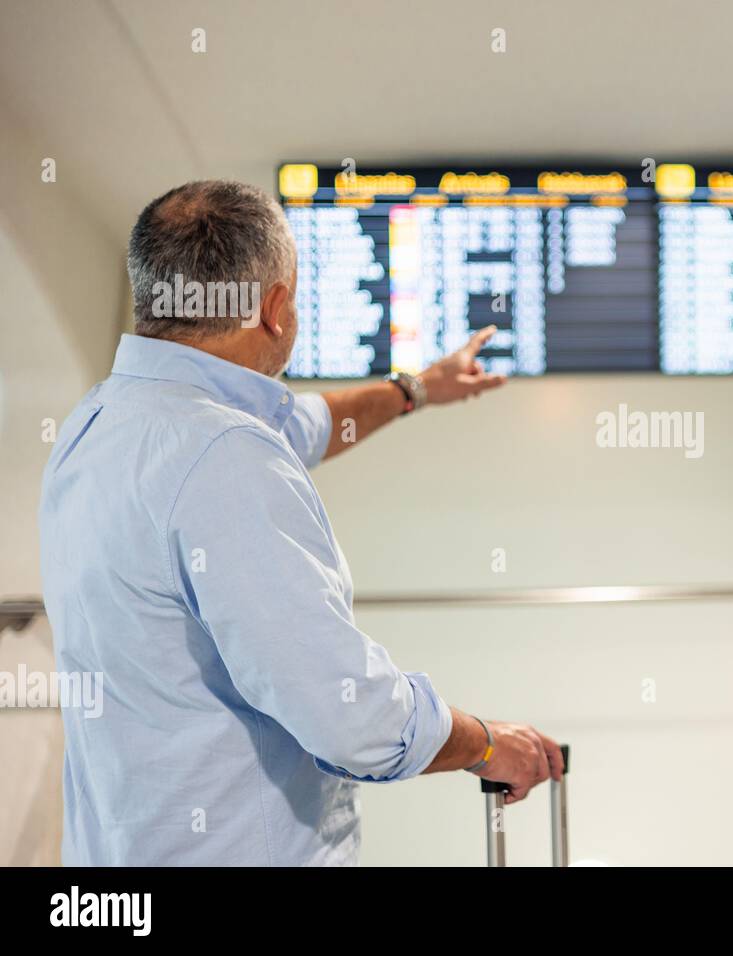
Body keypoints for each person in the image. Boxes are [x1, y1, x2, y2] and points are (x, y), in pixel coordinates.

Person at [39, 180, 562, 865]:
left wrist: (415, 391)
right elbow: (352, 720)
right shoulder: (226, 458)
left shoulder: (98, 424)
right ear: (276, 308)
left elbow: (304, 425)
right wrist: (488, 744)